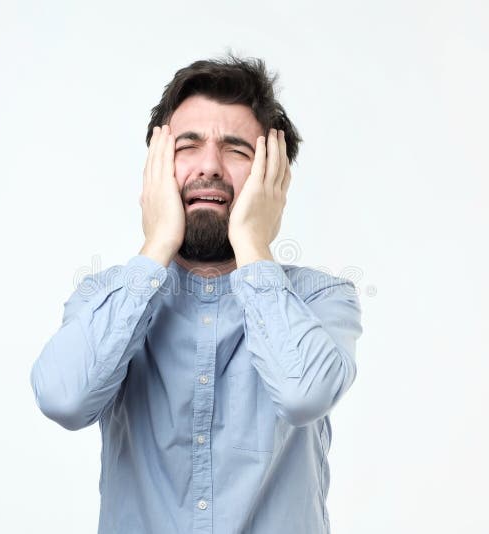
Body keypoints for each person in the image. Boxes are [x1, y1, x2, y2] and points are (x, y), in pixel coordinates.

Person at [29, 53, 363, 534]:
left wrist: (252, 242)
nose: (209, 166)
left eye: (237, 150)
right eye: (188, 146)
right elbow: (64, 399)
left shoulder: (321, 298)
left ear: (274, 176)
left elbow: (303, 393)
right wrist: (157, 244)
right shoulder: (106, 296)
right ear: (156, 168)